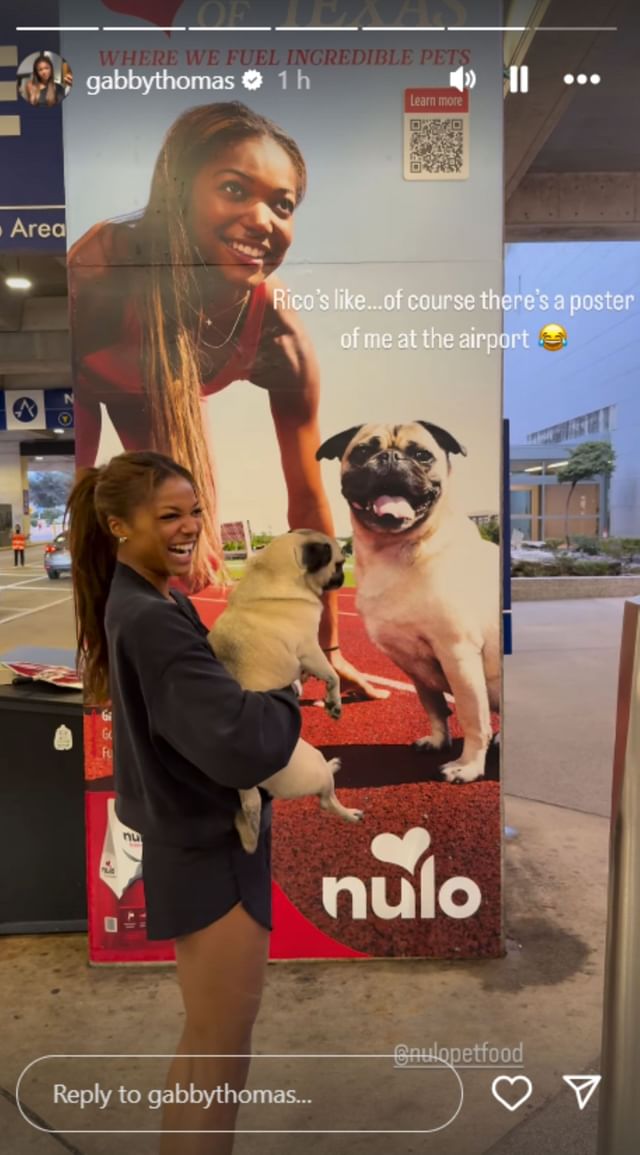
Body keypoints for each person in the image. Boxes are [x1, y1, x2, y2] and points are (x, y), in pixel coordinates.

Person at [68, 100, 387, 704]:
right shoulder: (99, 272)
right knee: (95, 508)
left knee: (182, 529)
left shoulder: (277, 329)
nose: (262, 218)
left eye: (282, 203)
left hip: (163, 396)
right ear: (178, 194)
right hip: (90, 382)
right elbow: (75, 477)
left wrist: (330, 648)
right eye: (235, 189)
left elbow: (306, 498)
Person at [67, 450, 302, 1155]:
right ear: (118, 525)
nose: (191, 526)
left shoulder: (149, 598)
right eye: (169, 514)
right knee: (219, 1057)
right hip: (211, 852)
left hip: (194, 843)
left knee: (208, 1047)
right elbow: (237, 741)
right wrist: (285, 685)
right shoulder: (152, 617)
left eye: (194, 509)